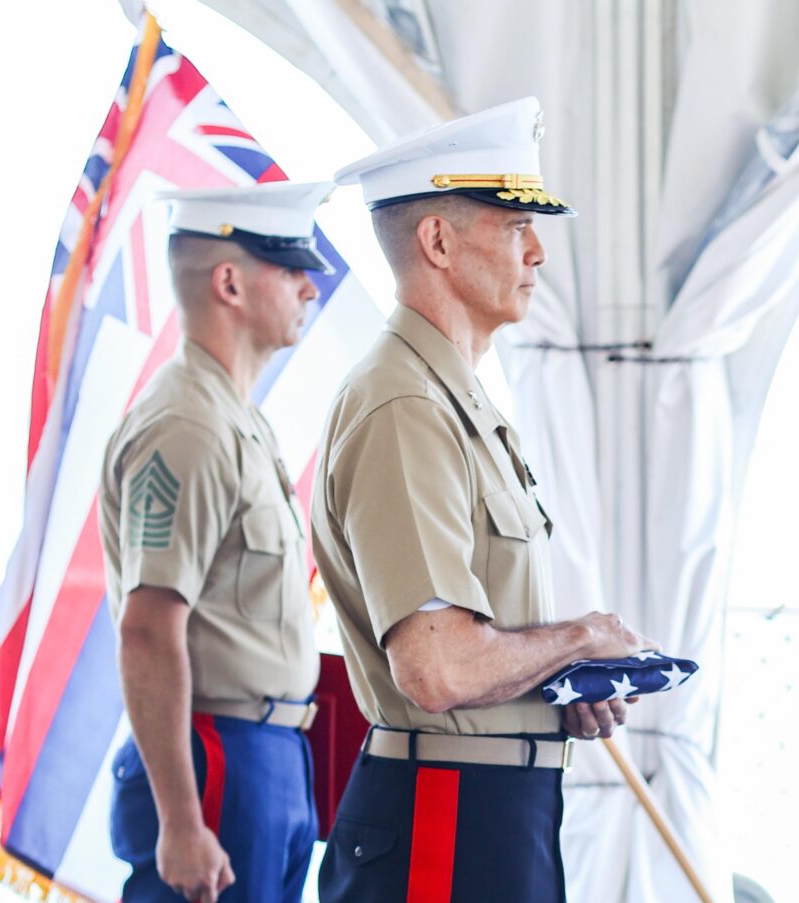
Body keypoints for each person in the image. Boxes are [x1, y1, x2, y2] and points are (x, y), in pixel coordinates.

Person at [312, 97, 656, 903]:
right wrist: (578, 639)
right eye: (512, 224)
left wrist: (558, 681)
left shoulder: (451, 396)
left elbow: (473, 652)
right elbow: (436, 667)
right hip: (445, 812)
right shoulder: (406, 405)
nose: (537, 250)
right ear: (436, 241)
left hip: (491, 808)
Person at [98, 181, 334, 903]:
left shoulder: (236, 418)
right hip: (216, 758)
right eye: (289, 265)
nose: (310, 283)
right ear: (229, 282)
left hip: (269, 756)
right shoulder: (190, 425)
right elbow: (146, 628)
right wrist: (179, 819)